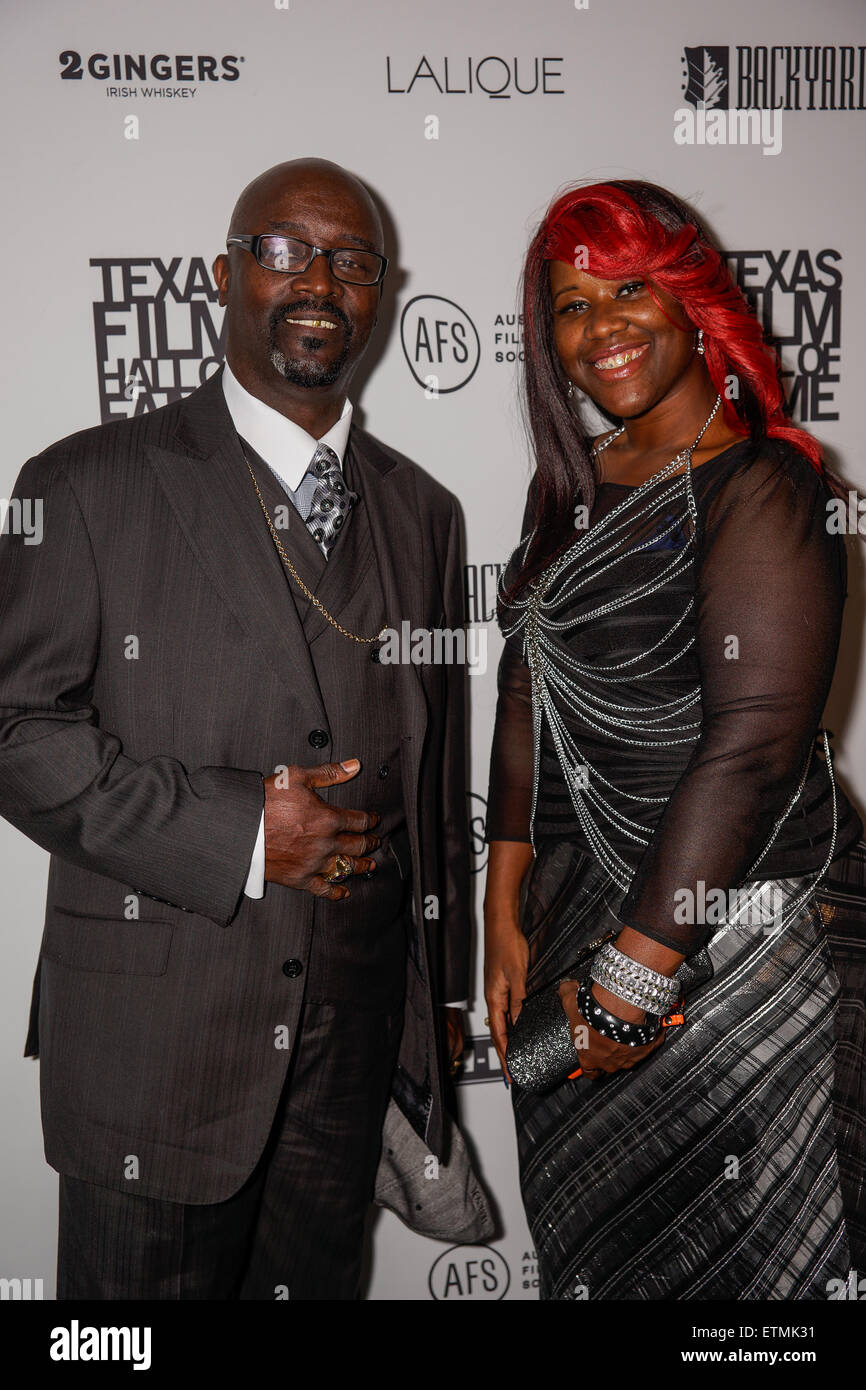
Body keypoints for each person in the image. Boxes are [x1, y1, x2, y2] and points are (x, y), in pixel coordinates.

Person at [0, 157, 471, 1300]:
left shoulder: (423, 511)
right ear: (223, 274)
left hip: (351, 1046)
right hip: (155, 1041)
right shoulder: (84, 482)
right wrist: (243, 835)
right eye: (282, 250)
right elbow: (13, 726)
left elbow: (436, 768)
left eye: (351, 262)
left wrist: (438, 999)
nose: (318, 280)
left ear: (381, 293)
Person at [484, 179, 866, 1300]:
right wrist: (502, 895)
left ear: (692, 298)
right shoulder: (568, 488)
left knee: (756, 1267)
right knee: (601, 1251)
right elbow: (525, 686)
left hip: (732, 938)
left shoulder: (767, 483)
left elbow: (749, 748)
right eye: (567, 304)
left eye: (628, 289)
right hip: (571, 927)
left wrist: (630, 978)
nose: (597, 327)